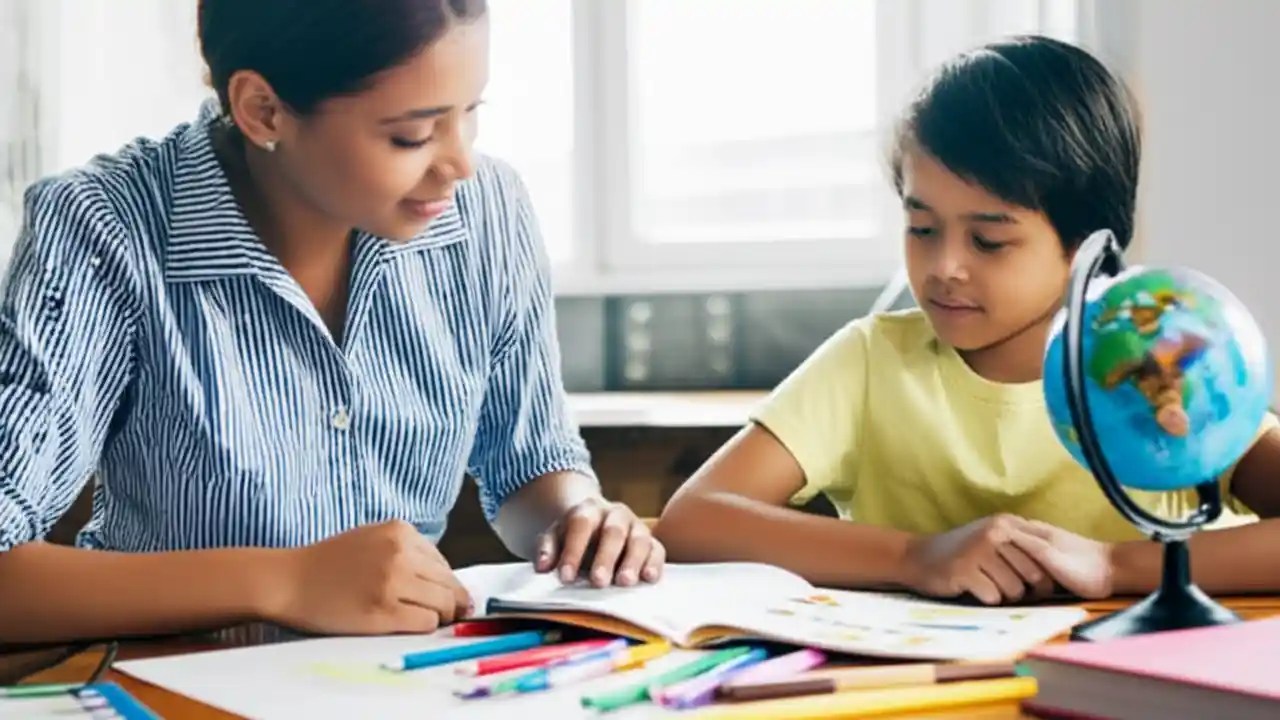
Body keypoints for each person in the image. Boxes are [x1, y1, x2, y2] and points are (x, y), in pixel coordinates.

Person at [0, 0, 664, 645]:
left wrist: (578, 517)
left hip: (396, 683)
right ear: (263, 110)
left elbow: (529, 463)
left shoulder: (487, 210)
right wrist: (282, 581)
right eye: (412, 134)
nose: (460, 163)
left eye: (471, 114)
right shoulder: (101, 228)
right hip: (166, 683)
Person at [654, 35, 1280, 606]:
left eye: (988, 241)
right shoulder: (871, 365)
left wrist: (1116, 566)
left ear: (1088, 243)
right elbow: (694, 520)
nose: (944, 266)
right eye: (921, 228)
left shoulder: (1159, 364)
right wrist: (914, 556)